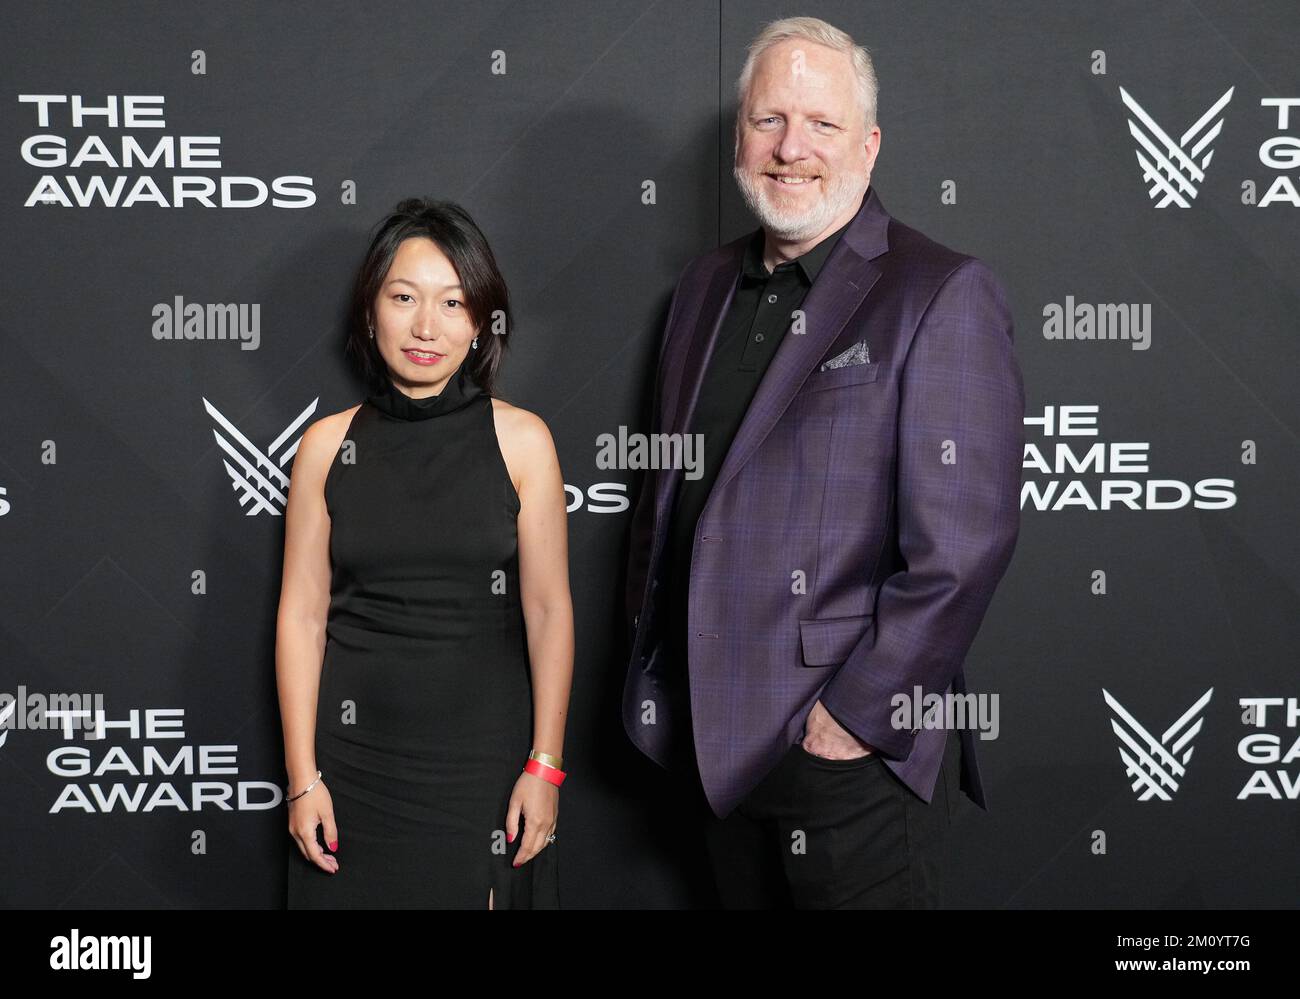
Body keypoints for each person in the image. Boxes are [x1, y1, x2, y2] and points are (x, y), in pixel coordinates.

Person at [623, 16, 1025, 908]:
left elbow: (965, 543)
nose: (790, 147)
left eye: (822, 124)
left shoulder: (939, 291)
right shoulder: (702, 287)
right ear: (739, 139)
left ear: (870, 145)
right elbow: (672, 490)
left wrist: (852, 717)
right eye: (768, 121)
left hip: (850, 762)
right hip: (712, 749)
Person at [277, 198, 573, 909]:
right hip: (351, 773)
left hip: (484, 773)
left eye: (452, 302)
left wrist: (546, 764)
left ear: (480, 322)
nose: (425, 326)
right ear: (371, 308)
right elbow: (301, 617)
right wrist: (302, 776)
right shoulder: (324, 446)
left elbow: (548, 611)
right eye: (404, 297)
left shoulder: (523, 441)